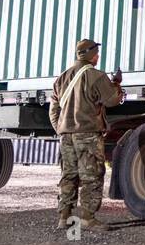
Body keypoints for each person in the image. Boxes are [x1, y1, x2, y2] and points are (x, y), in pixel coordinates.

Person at [49, 38, 123, 231]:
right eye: (96, 52)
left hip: (66, 135)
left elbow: (53, 110)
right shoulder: (96, 76)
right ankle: (88, 219)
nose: (98, 56)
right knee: (92, 176)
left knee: (69, 175)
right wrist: (116, 84)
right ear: (90, 54)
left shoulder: (61, 78)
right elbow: (112, 100)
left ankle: (64, 217)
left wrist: (61, 128)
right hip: (88, 134)